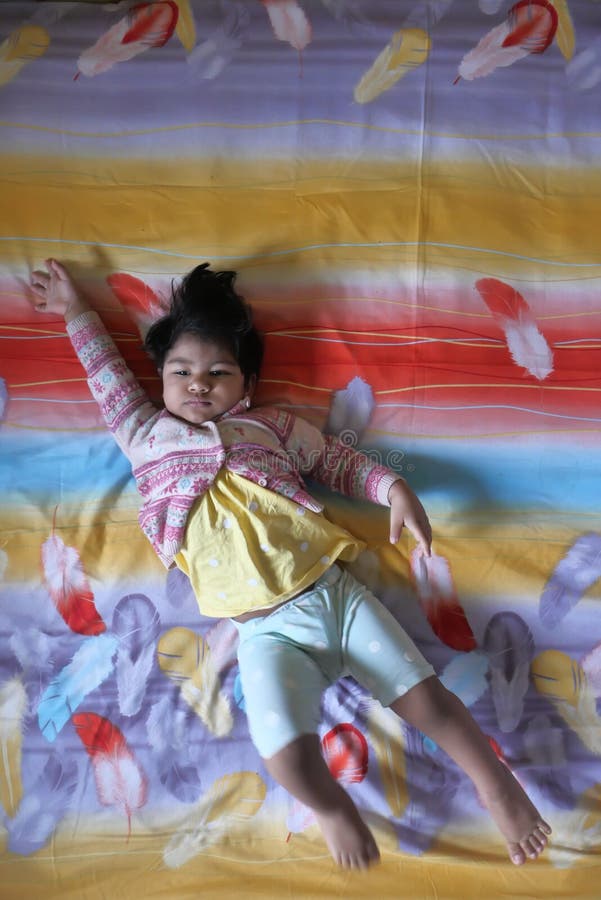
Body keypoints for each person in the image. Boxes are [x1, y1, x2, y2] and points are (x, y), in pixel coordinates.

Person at [30, 259, 551, 870]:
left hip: (336, 598)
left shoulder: (270, 426)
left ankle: (495, 784)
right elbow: (106, 376)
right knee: (282, 752)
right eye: (181, 372)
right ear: (162, 381)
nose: (198, 384)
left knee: (430, 702)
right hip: (263, 630)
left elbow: (339, 464)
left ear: (245, 385)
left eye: (218, 372)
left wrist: (392, 491)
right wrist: (75, 309)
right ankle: (332, 806)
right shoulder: (145, 435)